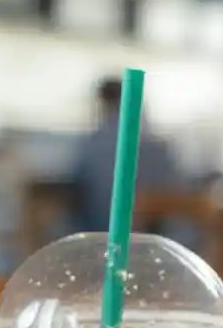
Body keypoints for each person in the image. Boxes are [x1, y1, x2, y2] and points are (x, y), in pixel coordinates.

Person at [72, 78, 181, 233]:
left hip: (100, 235)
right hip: (158, 241)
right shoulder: (159, 146)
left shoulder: (91, 145)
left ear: (101, 103)